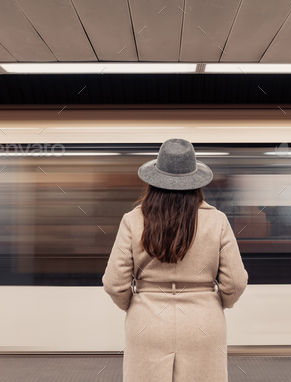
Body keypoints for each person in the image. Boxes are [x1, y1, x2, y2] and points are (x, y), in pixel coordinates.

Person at [102, 138, 248, 382]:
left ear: (154, 181)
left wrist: (138, 304)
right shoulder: (217, 220)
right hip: (203, 323)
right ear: (196, 183)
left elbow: (114, 283)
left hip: (147, 324)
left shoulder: (133, 219)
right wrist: (214, 303)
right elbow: (236, 282)